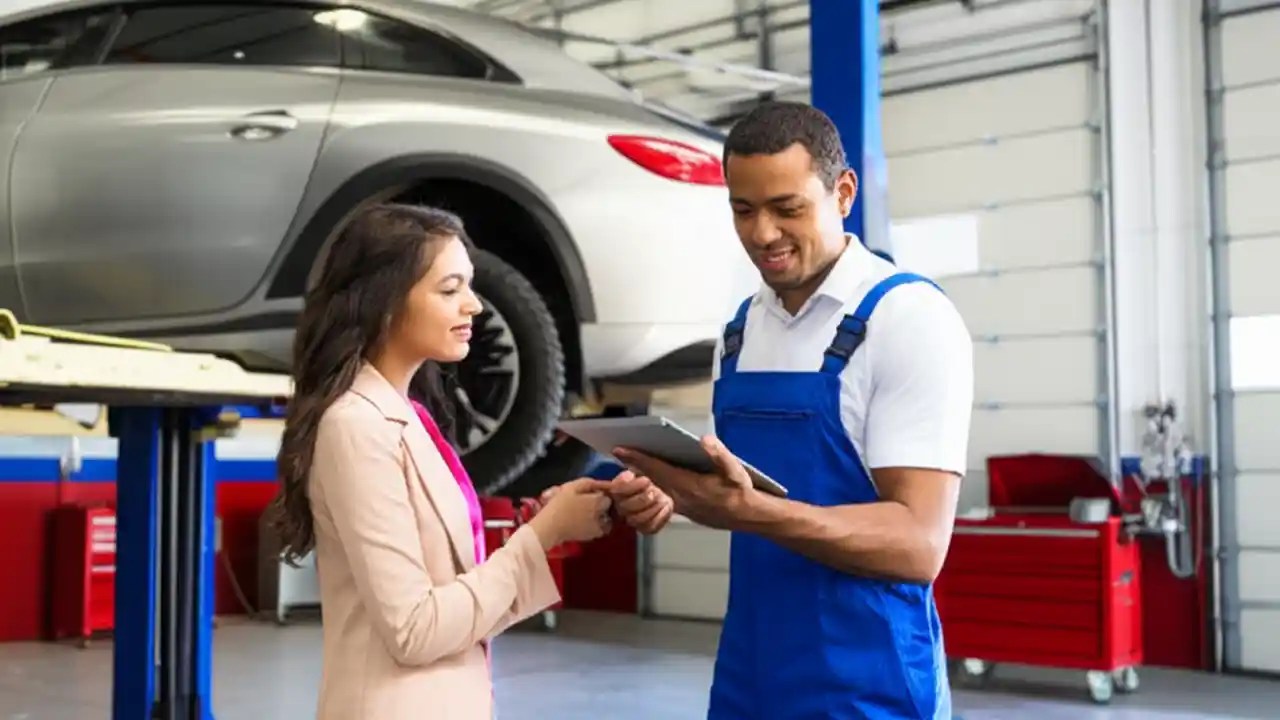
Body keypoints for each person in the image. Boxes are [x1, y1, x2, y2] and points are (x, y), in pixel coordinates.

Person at [607, 101, 974, 719]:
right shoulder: (739, 334)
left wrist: (755, 513)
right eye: (743, 210)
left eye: (787, 208)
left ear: (844, 192)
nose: (762, 234)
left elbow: (918, 544)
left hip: (869, 680)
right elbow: (739, 486)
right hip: (751, 672)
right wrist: (670, 493)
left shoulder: (908, 320)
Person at [268, 203, 614, 720]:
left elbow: (459, 606)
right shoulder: (357, 427)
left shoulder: (409, 417)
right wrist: (541, 534)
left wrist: (550, 525)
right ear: (384, 302)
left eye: (469, 287)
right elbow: (415, 630)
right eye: (450, 289)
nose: (474, 306)